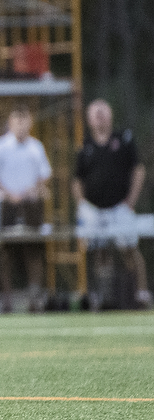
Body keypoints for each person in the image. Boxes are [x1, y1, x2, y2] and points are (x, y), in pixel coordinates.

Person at [72, 99, 151, 309]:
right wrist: (82, 205)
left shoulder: (123, 140)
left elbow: (138, 171)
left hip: (120, 207)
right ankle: (105, 297)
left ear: (110, 115)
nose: (99, 117)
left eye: (103, 113)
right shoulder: (85, 146)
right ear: (89, 119)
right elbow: (77, 180)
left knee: (129, 249)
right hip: (95, 209)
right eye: (95, 114)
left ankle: (140, 293)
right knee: (101, 252)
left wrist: (131, 200)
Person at [0, 103, 52, 313]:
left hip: (30, 204)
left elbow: (45, 175)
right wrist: (12, 194)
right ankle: (7, 300)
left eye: (24, 120)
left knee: (33, 251)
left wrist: (28, 191)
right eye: (16, 120)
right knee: (5, 253)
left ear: (30, 122)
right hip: (6, 205)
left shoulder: (36, 147)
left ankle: (34, 297)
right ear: (10, 123)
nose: (21, 125)